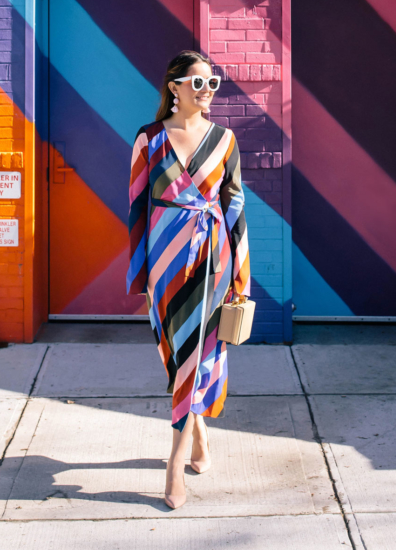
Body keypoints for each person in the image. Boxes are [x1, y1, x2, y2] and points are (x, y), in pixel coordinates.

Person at [127, 50, 250, 509]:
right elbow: (137, 209)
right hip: (163, 266)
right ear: (174, 87)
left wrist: (241, 275)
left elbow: (236, 209)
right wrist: (139, 276)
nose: (207, 92)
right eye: (198, 83)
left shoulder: (225, 140)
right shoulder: (148, 139)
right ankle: (199, 438)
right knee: (175, 357)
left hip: (212, 261)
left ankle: (174, 464)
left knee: (194, 357)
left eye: (212, 83)